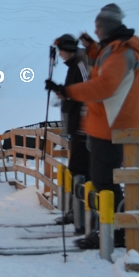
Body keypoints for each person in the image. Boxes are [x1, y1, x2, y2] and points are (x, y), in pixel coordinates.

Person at [46, 4, 139, 249]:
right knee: (101, 181)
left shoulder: (121, 52)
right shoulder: (113, 49)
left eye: (98, 27)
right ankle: (111, 229)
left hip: (112, 125)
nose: (96, 30)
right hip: (103, 124)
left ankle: (119, 232)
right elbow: (101, 68)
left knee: (105, 182)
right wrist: (92, 47)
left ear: (108, 27)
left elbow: (104, 86)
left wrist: (66, 91)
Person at [54, 34, 91, 182]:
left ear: (68, 49)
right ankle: (80, 202)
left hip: (83, 127)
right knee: (77, 168)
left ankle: (85, 202)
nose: (60, 54)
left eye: (61, 50)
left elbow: (87, 93)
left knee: (81, 168)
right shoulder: (75, 66)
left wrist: (83, 126)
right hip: (76, 126)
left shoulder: (81, 65)